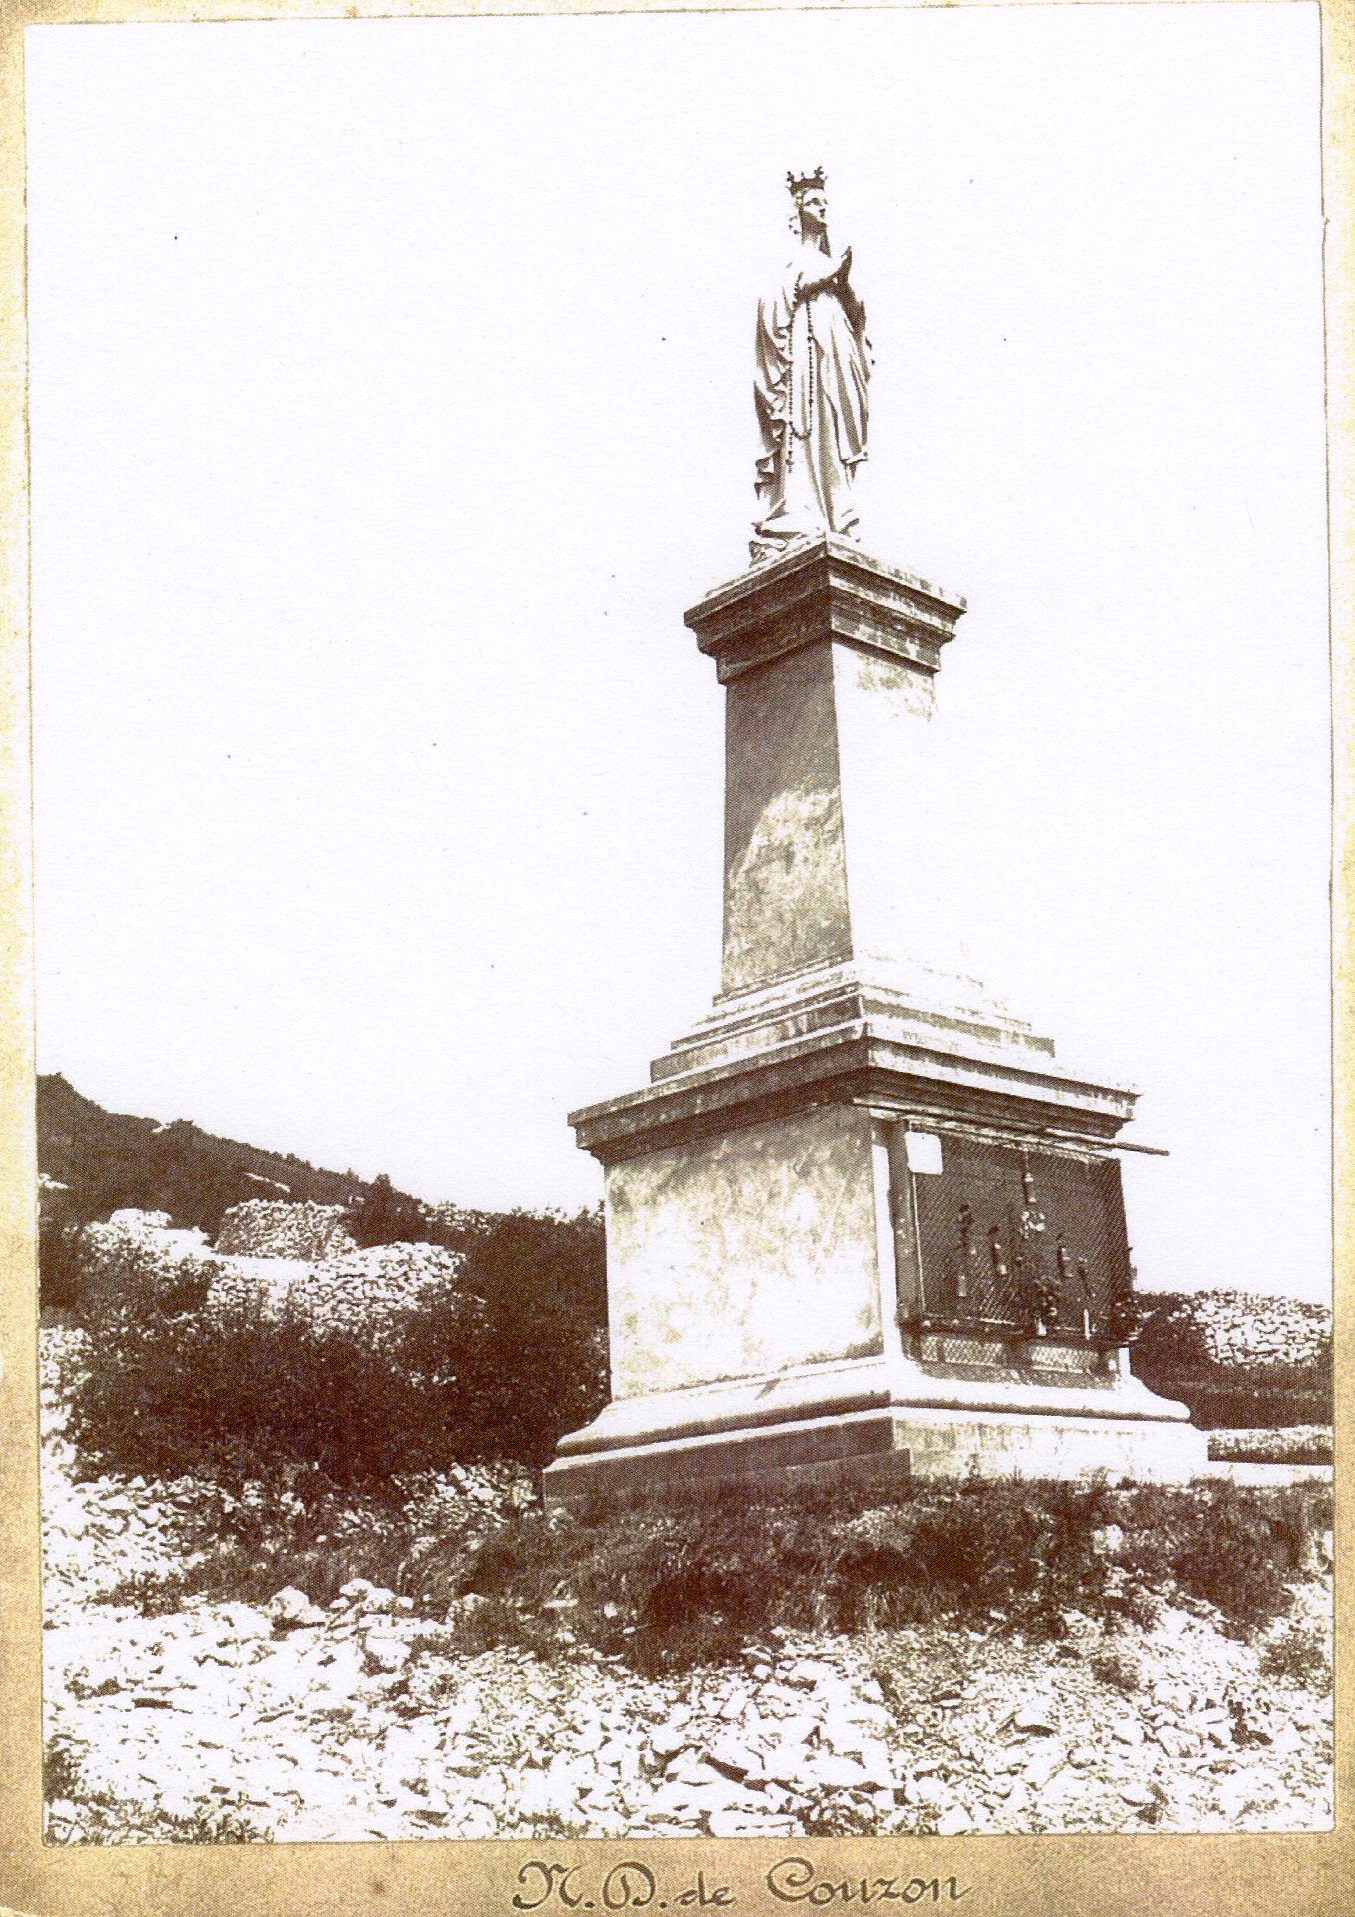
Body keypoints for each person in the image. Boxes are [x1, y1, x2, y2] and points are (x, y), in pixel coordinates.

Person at [754, 169, 871, 548]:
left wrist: (844, 282)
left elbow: (856, 315)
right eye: (814, 203)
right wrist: (827, 277)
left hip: (836, 350)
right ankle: (804, 510)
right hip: (804, 353)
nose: (822, 209)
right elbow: (776, 299)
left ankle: (839, 510)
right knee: (810, 424)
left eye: (825, 203)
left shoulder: (830, 262)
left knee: (835, 421)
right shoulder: (793, 257)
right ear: (799, 210)